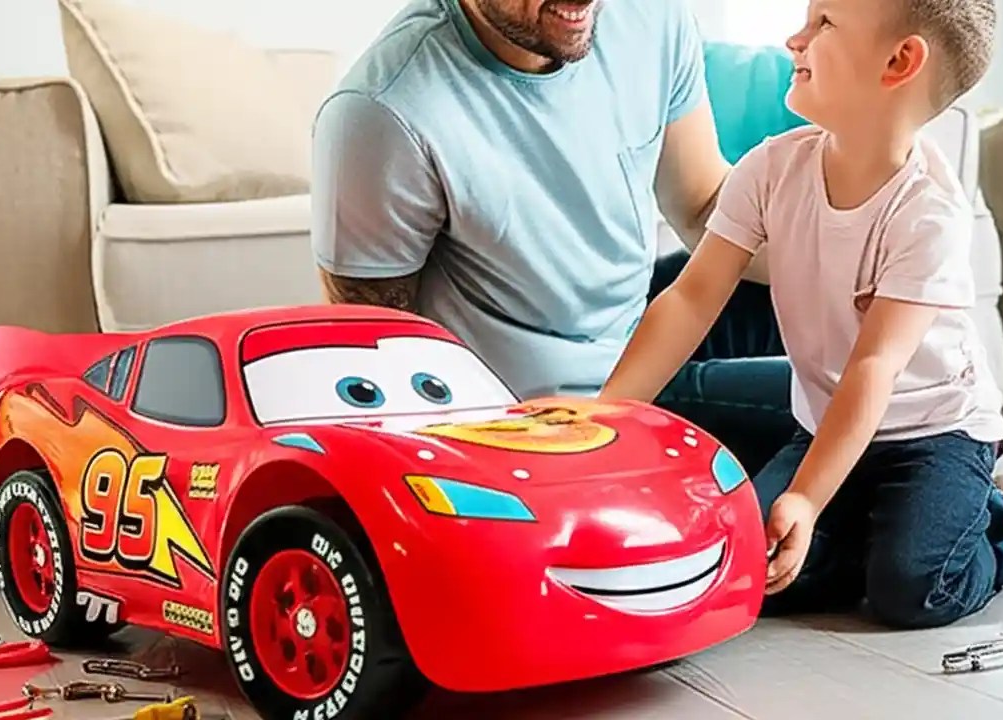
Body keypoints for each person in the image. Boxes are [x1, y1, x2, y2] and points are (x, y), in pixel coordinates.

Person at [600, 0, 1003, 629]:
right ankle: (861, 537)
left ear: (899, 61)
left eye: (824, 24)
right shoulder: (770, 168)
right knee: (748, 571)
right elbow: (690, 296)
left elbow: (874, 367)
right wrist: (603, 417)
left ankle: (995, 529)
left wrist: (808, 498)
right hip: (823, 426)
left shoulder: (928, 213)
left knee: (910, 593)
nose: (795, 39)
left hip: (935, 435)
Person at [311, 0, 797, 474]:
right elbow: (380, 359)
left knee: (844, 325)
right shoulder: (382, 113)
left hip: (635, 326)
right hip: (554, 419)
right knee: (837, 408)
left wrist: (854, 266)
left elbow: (703, 203)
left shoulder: (650, 16)